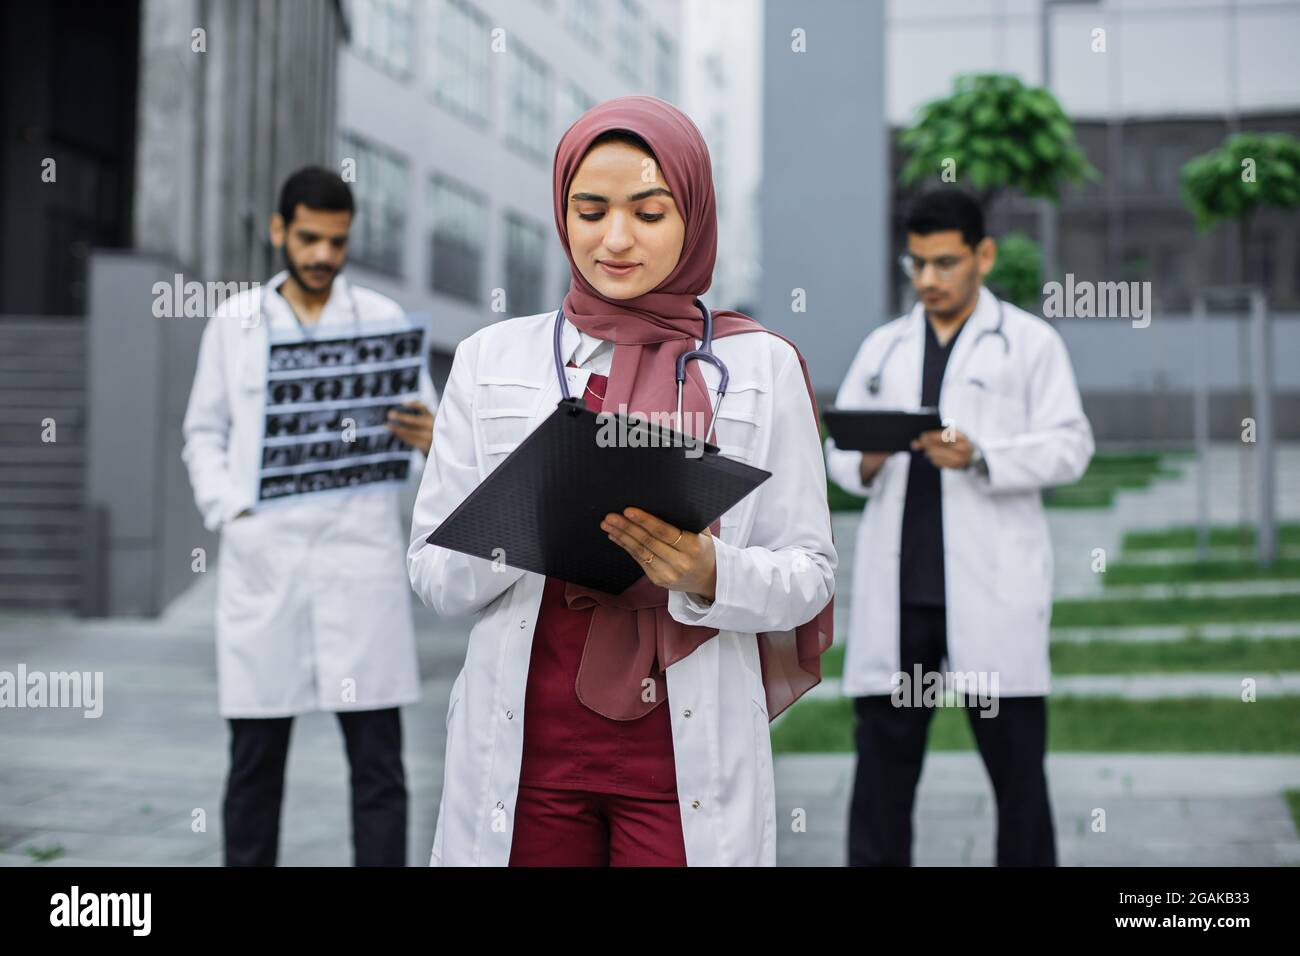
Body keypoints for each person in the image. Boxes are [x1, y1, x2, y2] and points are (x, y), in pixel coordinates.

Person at [407, 96, 836, 867]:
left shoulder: (761, 366)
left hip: (683, 756)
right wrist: (522, 525)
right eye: (590, 209)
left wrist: (712, 573)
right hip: (526, 750)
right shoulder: (490, 358)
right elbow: (432, 576)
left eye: (648, 211)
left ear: (694, 214)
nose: (615, 239)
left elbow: (810, 574)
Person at [825, 188, 1094, 867]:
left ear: (984, 255)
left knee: (1018, 778)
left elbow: (1072, 445)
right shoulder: (883, 347)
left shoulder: (1030, 343)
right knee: (882, 776)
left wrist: (982, 455)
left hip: (989, 590)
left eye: (945, 263)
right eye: (916, 264)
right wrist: (868, 456)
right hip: (902, 595)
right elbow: (838, 451)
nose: (928, 281)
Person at [181, 166, 438, 866]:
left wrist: (430, 437)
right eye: (308, 238)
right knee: (254, 766)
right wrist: (231, 511)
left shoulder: (383, 322)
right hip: (266, 564)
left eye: (337, 240)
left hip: (360, 565)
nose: (323, 254)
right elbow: (203, 433)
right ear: (278, 231)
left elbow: (423, 438)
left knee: (379, 766)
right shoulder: (233, 323)